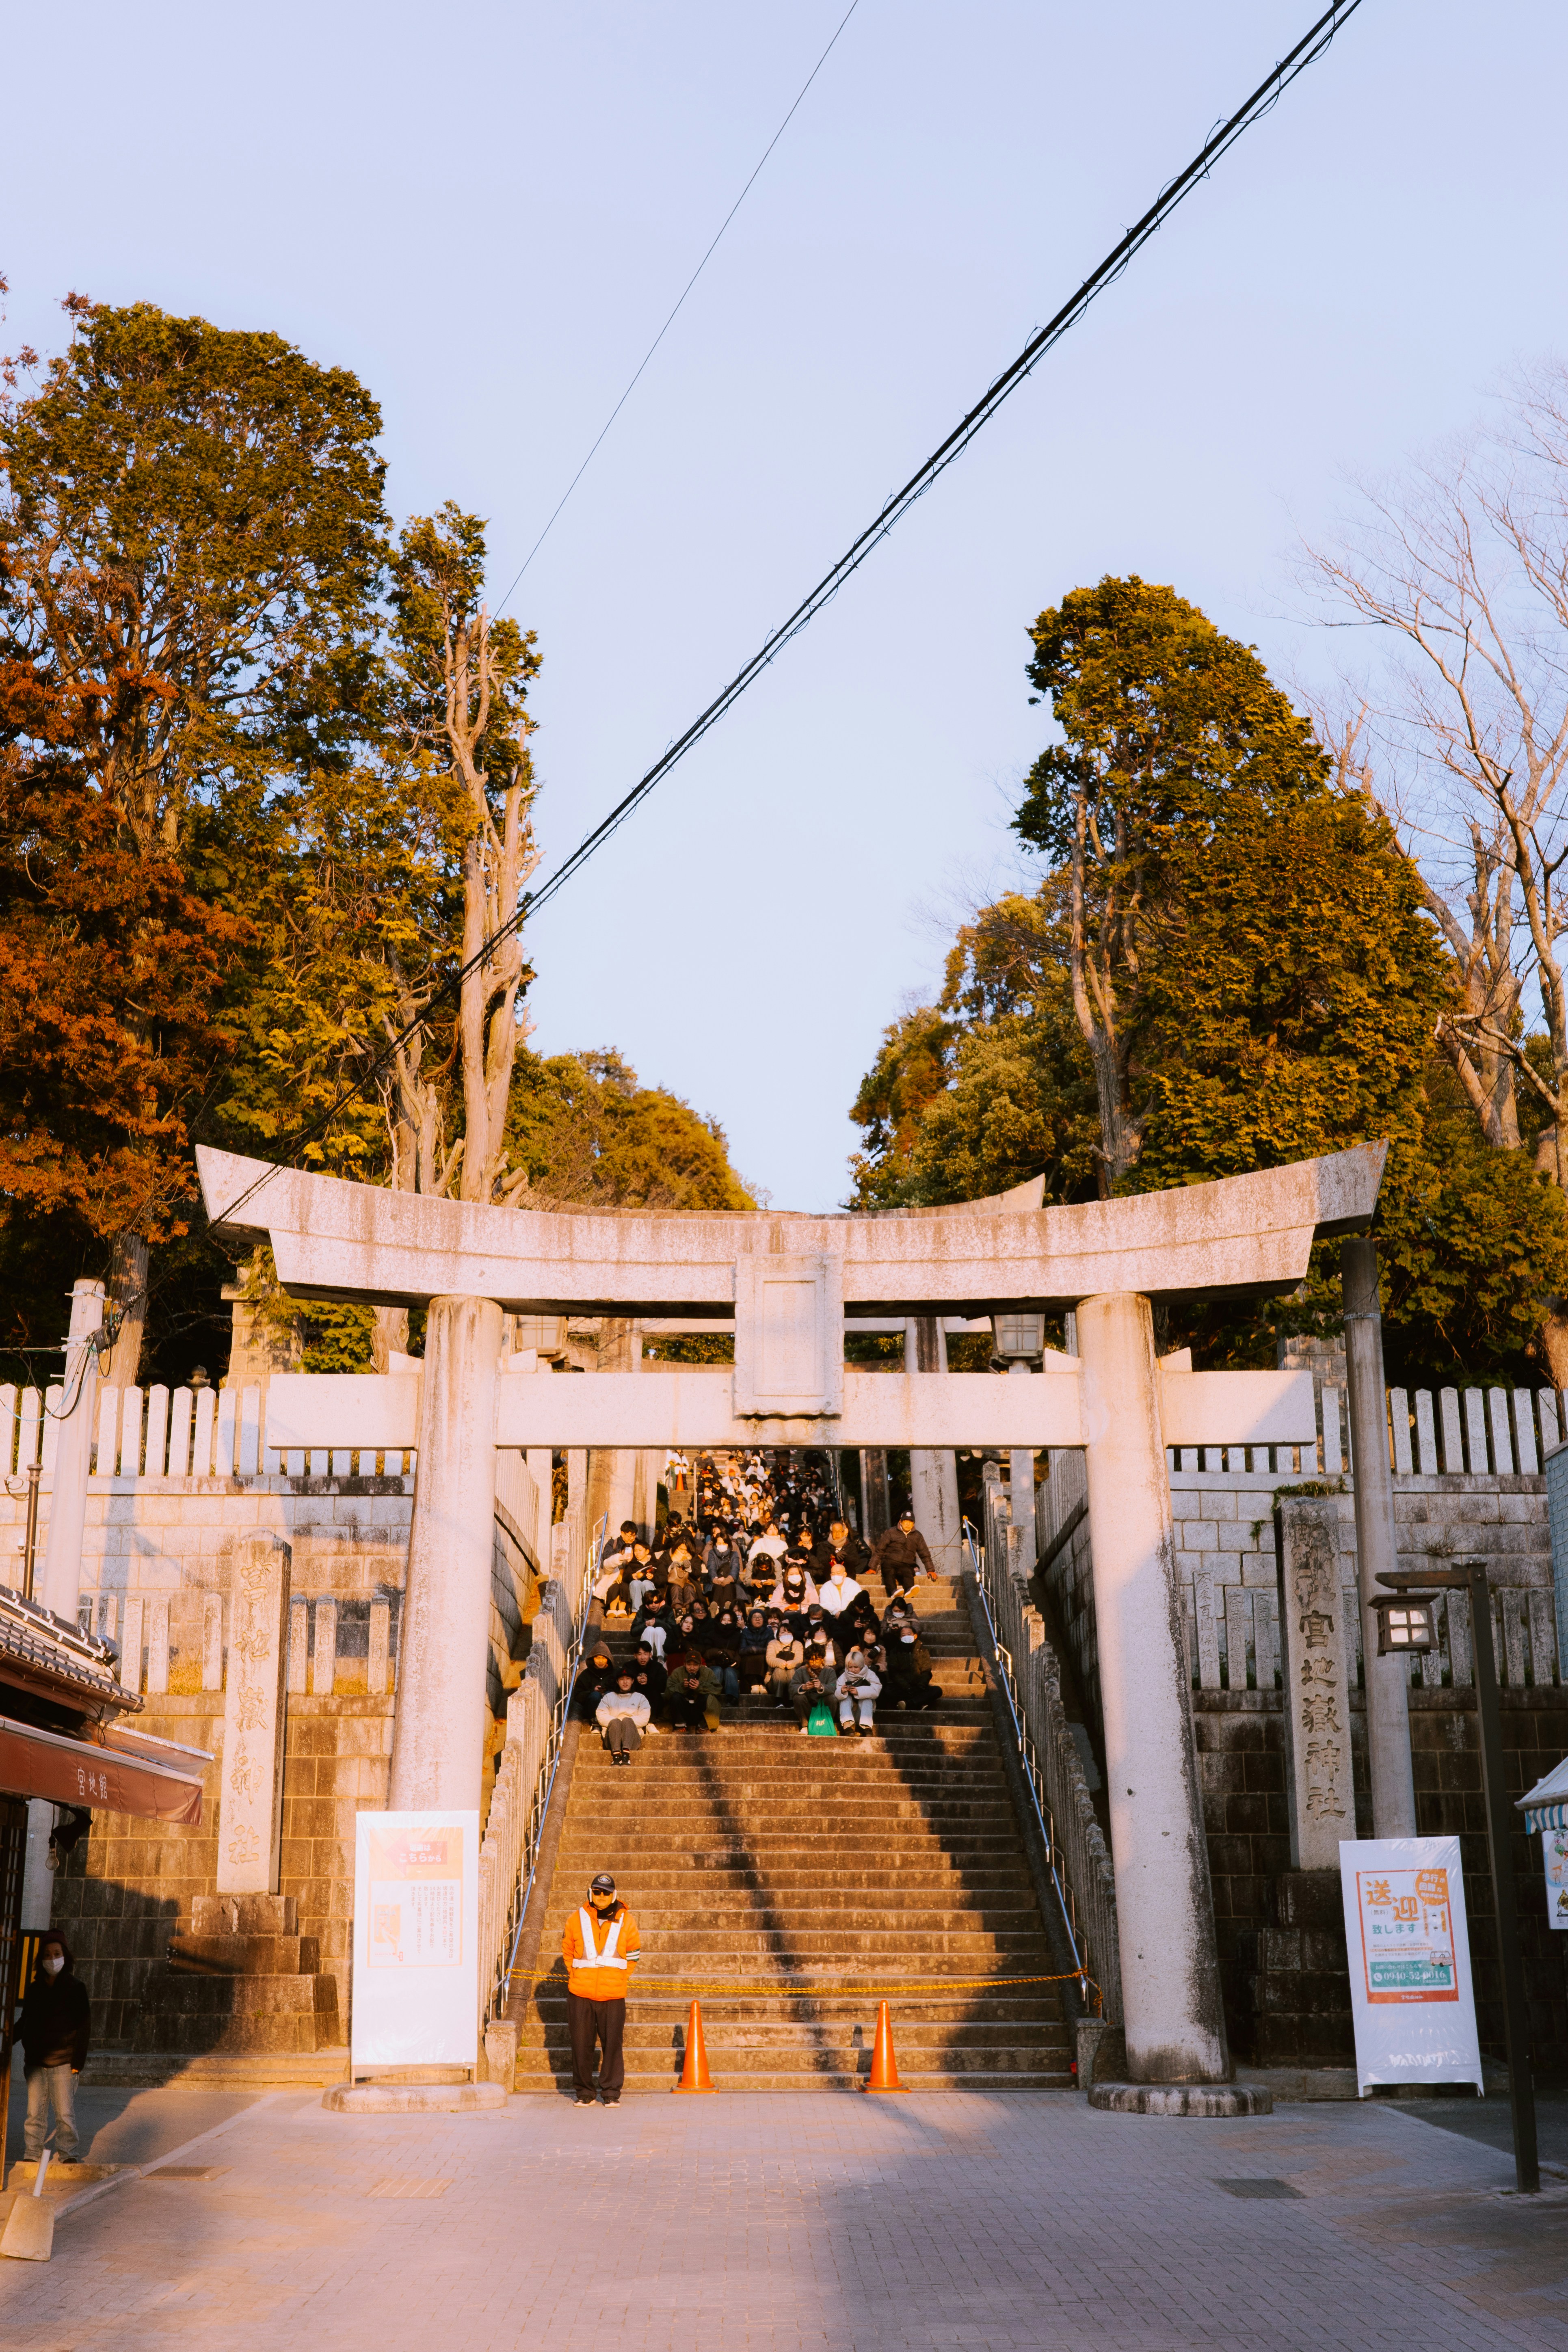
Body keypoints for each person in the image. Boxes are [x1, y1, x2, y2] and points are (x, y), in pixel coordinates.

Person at [562, 1872, 640, 2106]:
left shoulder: (627, 1920)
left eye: (606, 1892)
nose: (602, 1896)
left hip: (614, 1994)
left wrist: (618, 1978)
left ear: (614, 1894)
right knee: (580, 2044)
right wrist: (577, 1975)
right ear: (591, 1892)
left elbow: (634, 1953)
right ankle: (585, 2093)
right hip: (580, 1993)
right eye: (598, 1891)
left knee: (613, 2044)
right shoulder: (576, 1918)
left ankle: (611, 2093)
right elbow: (567, 1951)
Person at [17, 1932, 90, 2160]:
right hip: (36, 2063)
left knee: (65, 2114)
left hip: (65, 2061)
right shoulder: (34, 1989)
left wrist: (78, 2063)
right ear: (41, 1959)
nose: (52, 1958)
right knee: (34, 2114)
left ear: (65, 1956)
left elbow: (84, 2027)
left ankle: (68, 2153)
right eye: (48, 1954)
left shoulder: (76, 1988)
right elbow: (24, 2022)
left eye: (57, 1954)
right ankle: (32, 2153)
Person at [595, 1668, 653, 1765]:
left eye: (628, 1679)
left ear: (633, 1681)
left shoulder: (640, 1698)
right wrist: (618, 1722)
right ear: (617, 1681)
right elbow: (601, 1715)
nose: (625, 1682)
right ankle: (616, 1756)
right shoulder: (609, 1697)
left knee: (628, 1721)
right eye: (622, 1679)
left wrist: (626, 1722)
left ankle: (626, 1755)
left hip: (633, 1740)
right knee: (616, 1722)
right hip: (612, 1739)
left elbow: (644, 1718)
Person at [873, 1511, 936, 1595]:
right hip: (890, 1561)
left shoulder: (918, 1536)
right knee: (889, 1572)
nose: (908, 1524)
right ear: (900, 1522)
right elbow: (880, 1550)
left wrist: (930, 1570)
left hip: (906, 1564)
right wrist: (872, 1567)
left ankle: (909, 1591)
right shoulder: (891, 1532)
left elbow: (924, 1553)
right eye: (906, 1521)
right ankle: (893, 1591)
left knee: (908, 1574)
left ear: (913, 1524)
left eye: (911, 1522)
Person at [789, 1648, 837, 1733]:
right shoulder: (801, 1670)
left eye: (817, 1660)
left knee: (832, 1698)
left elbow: (833, 1688)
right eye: (811, 1660)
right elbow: (792, 1687)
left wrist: (821, 1687)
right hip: (808, 1702)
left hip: (823, 1702)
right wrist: (804, 1687)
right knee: (798, 1698)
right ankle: (805, 1726)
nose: (814, 1663)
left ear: (822, 1659)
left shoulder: (830, 1671)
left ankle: (827, 1723)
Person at [837, 1646, 881, 1737]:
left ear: (861, 1666)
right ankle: (847, 1726)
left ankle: (867, 1727)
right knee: (845, 1698)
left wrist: (859, 1691)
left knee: (867, 1699)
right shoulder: (843, 1676)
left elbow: (877, 1690)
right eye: (850, 1667)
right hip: (848, 1711)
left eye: (856, 1667)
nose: (853, 1670)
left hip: (864, 1712)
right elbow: (837, 1695)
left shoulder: (870, 1674)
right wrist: (842, 1691)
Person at [817, 1557, 864, 1622]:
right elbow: (824, 1603)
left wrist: (846, 1614)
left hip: (850, 1615)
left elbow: (857, 1602)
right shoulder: (826, 1586)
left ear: (845, 1574)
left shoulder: (853, 1585)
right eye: (833, 1574)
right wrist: (835, 1612)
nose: (835, 1576)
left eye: (838, 1573)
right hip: (832, 1615)